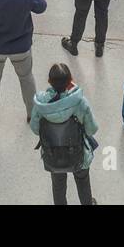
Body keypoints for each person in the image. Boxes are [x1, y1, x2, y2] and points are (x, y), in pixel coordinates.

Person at [28, 63, 99, 206]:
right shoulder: (80, 102)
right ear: (70, 80)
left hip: (53, 155)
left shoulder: (41, 104)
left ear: (49, 82)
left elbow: (35, 129)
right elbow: (92, 129)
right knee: (83, 182)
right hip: (79, 155)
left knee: (58, 185)